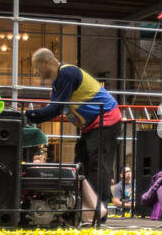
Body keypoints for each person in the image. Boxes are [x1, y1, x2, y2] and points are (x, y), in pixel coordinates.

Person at [26, 48, 121, 225]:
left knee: (97, 165)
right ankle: (85, 210)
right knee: (82, 165)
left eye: (36, 67)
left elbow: (54, 109)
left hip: (105, 118)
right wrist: (31, 116)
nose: (36, 72)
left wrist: (29, 116)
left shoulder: (67, 73)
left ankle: (98, 213)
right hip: (91, 124)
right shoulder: (58, 82)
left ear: (46, 62)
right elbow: (53, 108)